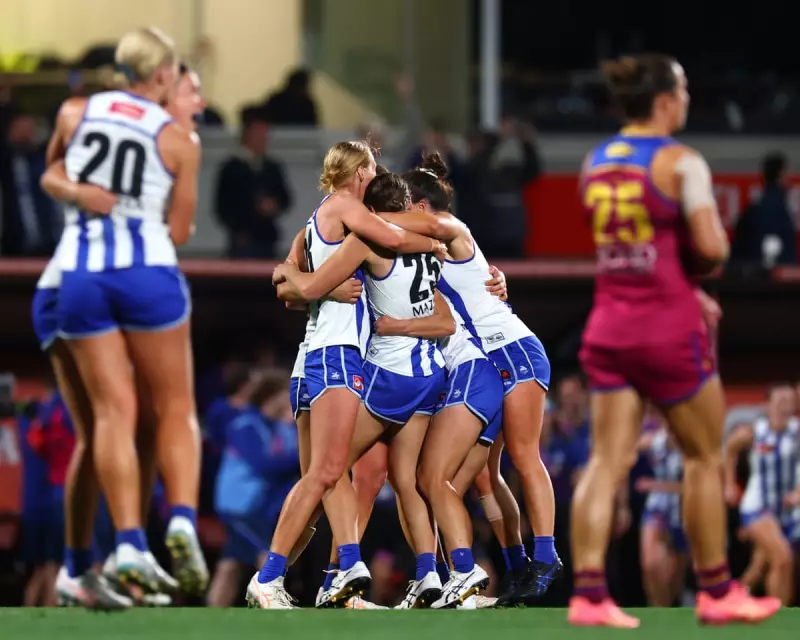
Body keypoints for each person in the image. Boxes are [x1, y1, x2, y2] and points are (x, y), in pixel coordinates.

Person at [572, 53, 780, 627]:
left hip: (609, 326)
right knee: (704, 456)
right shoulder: (681, 162)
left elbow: (621, 248)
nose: (687, 99)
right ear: (665, 100)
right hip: (667, 328)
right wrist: (694, 273)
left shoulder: (594, 162)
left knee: (605, 462)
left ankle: (589, 596)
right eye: (684, 89)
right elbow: (712, 249)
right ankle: (716, 590)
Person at [43, 27, 206, 595]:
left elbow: (51, 172)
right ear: (162, 75)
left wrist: (81, 195)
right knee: (175, 407)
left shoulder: (74, 111)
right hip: (146, 272)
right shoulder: (178, 139)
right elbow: (179, 232)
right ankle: (181, 518)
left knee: (112, 416)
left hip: (79, 275)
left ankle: (129, 543)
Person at [246, 141, 443, 609]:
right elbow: (396, 238)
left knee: (325, 478)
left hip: (312, 355)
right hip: (335, 355)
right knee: (325, 473)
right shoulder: (346, 208)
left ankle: (338, 577)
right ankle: (270, 577)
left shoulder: (315, 221)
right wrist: (440, 241)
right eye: (371, 167)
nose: (375, 175)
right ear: (357, 172)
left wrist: (310, 286)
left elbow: (284, 283)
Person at [375, 153, 560, 605]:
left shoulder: (450, 226)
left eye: (402, 207)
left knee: (523, 455)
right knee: (484, 478)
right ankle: (515, 565)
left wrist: (359, 215)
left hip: (511, 350)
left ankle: (545, 556)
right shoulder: (428, 250)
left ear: (420, 207)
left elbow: (410, 230)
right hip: (488, 361)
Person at [208, 372, 300, 607]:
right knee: (268, 552)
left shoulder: (279, 428)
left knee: (231, 563)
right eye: (286, 394)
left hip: (258, 506)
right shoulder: (245, 425)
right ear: (273, 395)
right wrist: (304, 459)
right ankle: (272, 605)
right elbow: (264, 464)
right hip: (239, 506)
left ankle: (214, 610)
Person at [725, 383, 799, 605]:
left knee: (760, 566)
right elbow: (730, 450)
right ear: (767, 405)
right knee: (783, 558)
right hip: (757, 507)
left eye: (789, 401)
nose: (785, 406)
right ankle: (778, 614)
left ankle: (730, 601)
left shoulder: (797, 432)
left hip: (785, 511)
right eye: (780, 401)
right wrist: (729, 483)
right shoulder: (755, 432)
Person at [214, 107, 292, 259]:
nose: (264, 140)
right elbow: (223, 205)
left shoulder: (272, 167)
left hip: (267, 237)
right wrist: (239, 228)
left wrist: (274, 205)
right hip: (242, 239)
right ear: (248, 136)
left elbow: (285, 197)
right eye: (260, 135)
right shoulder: (232, 168)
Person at [637, 424, 688, 606]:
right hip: (657, 507)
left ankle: (669, 608)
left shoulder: (691, 448)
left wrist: (655, 485)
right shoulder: (654, 441)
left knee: (674, 576)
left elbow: (694, 486)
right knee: (650, 564)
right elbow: (624, 450)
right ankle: (655, 607)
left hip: (683, 510)